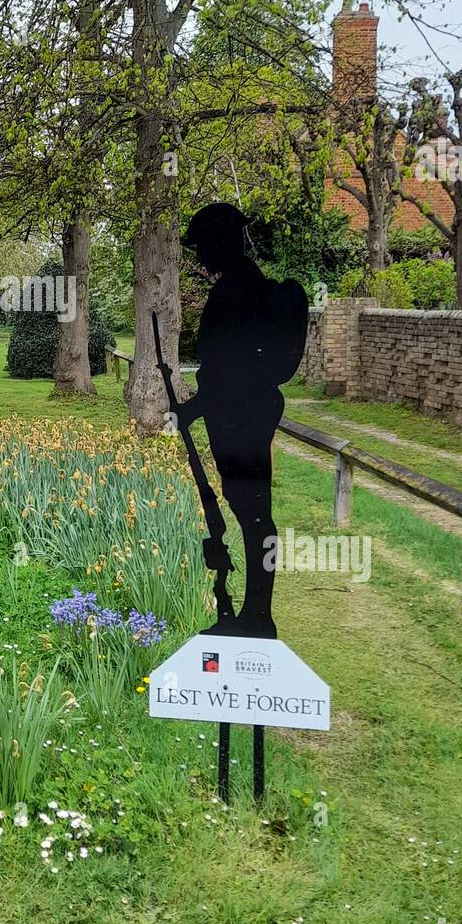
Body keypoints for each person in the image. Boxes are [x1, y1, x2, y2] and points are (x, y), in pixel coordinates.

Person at [173, 203, 307, 638]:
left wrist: (191, 410)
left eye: (204, 247)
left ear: (222, 242)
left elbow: (232, 372)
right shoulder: (237, 286)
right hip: (234, 414)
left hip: (240, 416)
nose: (200, 257)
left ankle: (257, 616)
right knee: (249, 512)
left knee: (253, 516)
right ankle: (255, 614)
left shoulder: (238, 291)